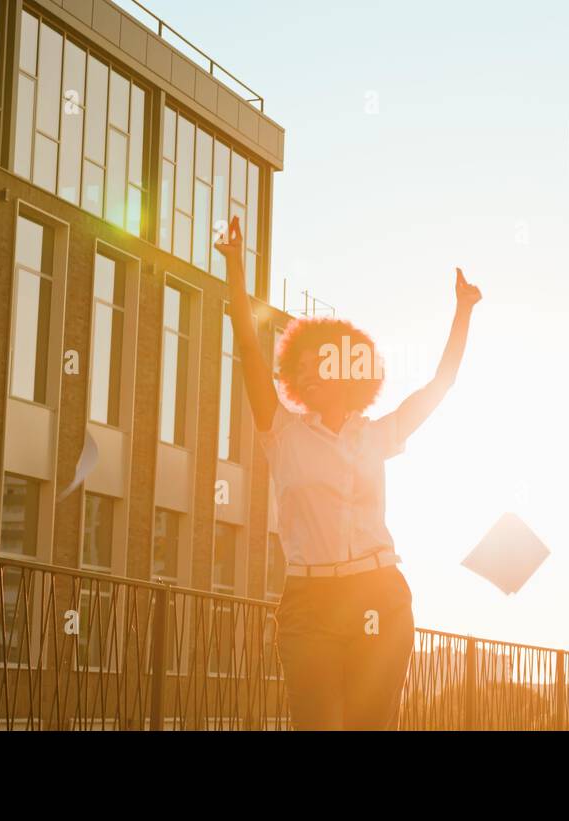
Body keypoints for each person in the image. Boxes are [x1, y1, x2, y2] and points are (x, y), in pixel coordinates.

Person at [215, 216, 481, 730]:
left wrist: (463, 310)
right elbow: (248, 350)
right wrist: (234, 269)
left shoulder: (376, 435)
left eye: (323, 365)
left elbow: (440, 384)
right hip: (308, 604)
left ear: (348, 373)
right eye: (302, 367)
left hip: (376, 595)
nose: (309, 373)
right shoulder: (281, 433)